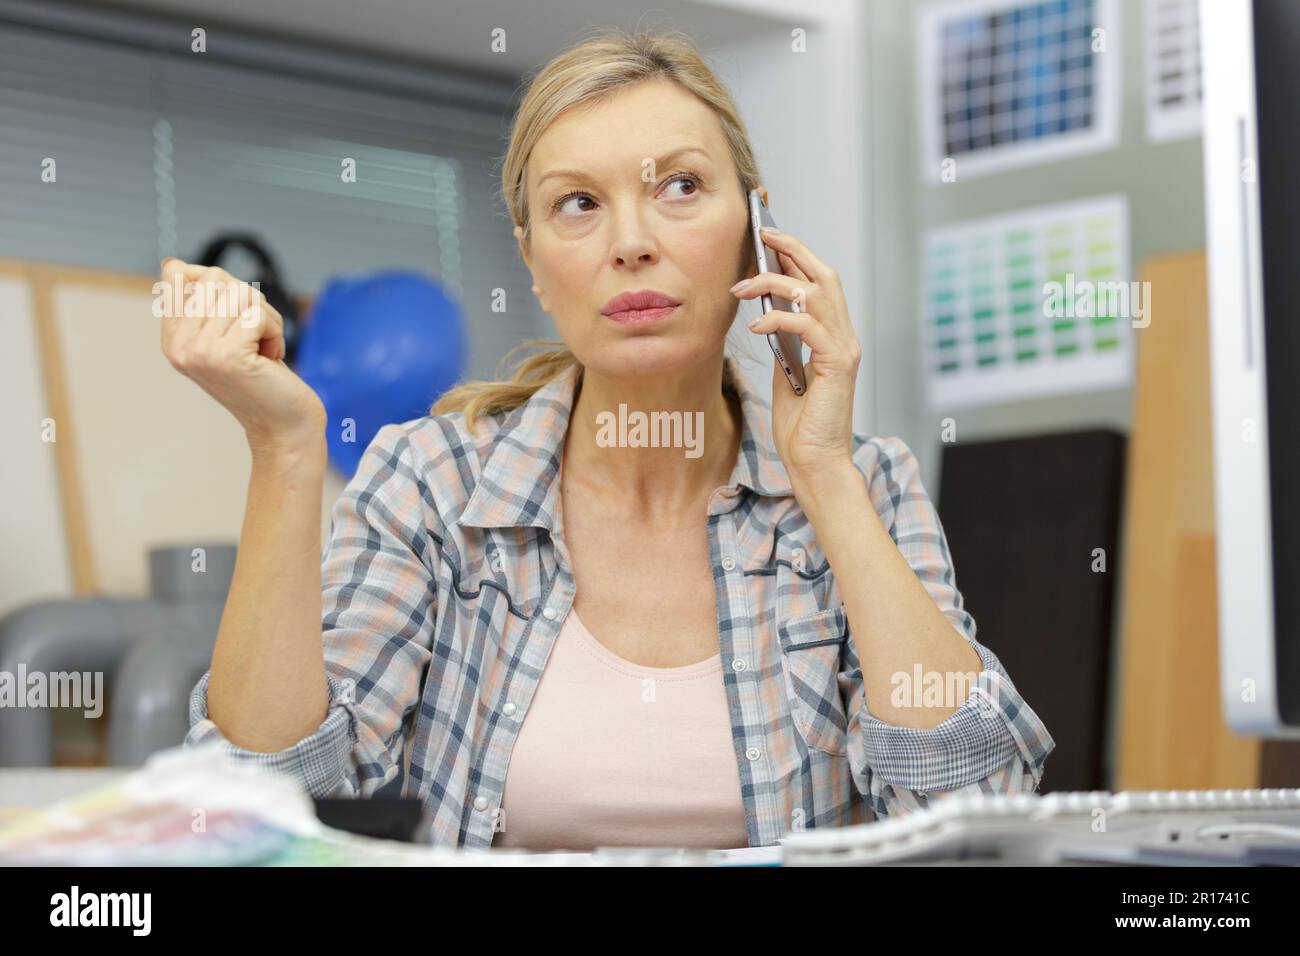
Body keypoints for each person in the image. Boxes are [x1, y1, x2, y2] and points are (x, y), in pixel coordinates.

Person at [163, 28, 1054, 851]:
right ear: (535, 265)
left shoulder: (868, 485)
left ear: (755, 230)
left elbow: (974, 821)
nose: (631, 242)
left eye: (680, 187)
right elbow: (267, 810)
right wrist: (284, 448)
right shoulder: (428, 485)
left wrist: (822, 473)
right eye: (579, 203)